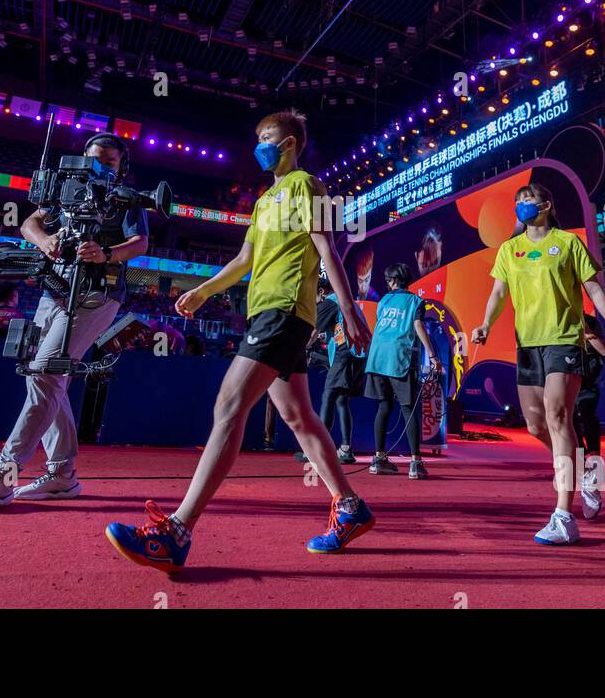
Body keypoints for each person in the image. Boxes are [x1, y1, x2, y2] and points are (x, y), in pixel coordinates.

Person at [105, 110, 374, 573]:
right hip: (266, 310)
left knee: (229, 406)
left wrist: (350, 309)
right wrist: (204, 289)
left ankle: (177, 531)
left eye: (266, 139)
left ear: (290, 143)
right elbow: (245, 257)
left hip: (285, 309)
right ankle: (349, 506)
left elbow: (327, 246)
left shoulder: (309, 185)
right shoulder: (265, 200)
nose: (259, 147)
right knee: (298, 416)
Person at [0, 133, 149, 505]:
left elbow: (139, 245)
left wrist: (105, 253)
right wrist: (44, 241)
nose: (100, 166)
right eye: (94, 158)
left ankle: (3, 475)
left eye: (109, 161)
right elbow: (29, 223)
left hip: (96, 296)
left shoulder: (126, 200)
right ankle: (61, 475)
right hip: (53, 289)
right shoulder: (63, 190)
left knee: (46, 373)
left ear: (122, 168)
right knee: (46, 377)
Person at [471, 183, 605, 545]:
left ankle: (563, 516)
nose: (521, 206)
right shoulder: (509, 250)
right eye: (518, 202)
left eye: (528, 200)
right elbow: (499, 292)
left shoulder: (569, 243)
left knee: (558, 414)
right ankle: (582, 470)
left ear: (546, 204)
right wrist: (485, 323)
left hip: (564, 340)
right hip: (526, 344)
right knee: (534, 425)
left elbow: (593, 290)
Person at [365, 263, 439, 478]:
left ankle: (378, 460)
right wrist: (433, 356)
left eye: (388, 280)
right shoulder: (415, 301)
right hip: (399, 357)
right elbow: (418, 326)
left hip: (377, 358)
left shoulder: (384, 301)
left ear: (393, 281)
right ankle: (415, 463)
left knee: (384, 406)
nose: (387, 284)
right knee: (408, 409)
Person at [295, 278, 366, 465]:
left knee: (329, 396)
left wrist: (297, 350)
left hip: (345, 354)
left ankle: (319, 450)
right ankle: (346, 449)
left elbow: (311, 332)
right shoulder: (345, 301)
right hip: (358, 355)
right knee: (342, 400)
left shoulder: (329, 302)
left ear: (321, 291)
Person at [572, 314, 605, 518]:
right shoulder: (554, 317)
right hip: (563, 384)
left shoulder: (591, 322)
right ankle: (586, 476)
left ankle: (592, 470)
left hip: (586, 385)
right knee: (568, 429)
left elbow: (604, 350)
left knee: (587, 416)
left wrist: (587, 332)